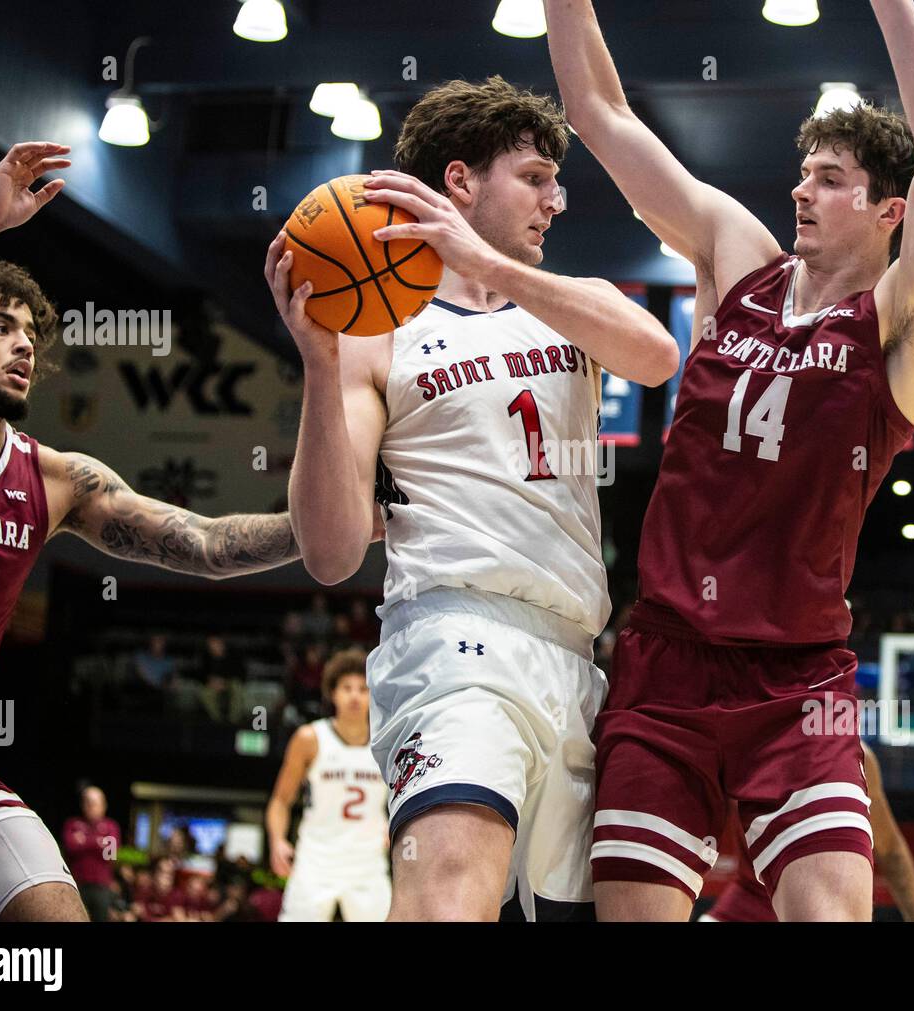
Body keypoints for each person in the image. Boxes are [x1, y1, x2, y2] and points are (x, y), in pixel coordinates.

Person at [545, 0, 914, 921]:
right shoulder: (739, 259)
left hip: (800, 679)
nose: (802, 191)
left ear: (888, 210)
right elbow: (599, 112)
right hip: (666, 662)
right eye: (803, 173)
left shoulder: (898, 324)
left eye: (829, 178)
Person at [267, 76, 679, 921]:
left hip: (574, 658)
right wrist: (317, 363)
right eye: (534, 178)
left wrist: (489, 265)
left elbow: (654, 356)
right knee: (448, 890)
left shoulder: (578, 304)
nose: (556, 202)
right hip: (452, 642)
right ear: (460, 183)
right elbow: (333, 551)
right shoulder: (375, 338)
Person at [0, 142, 304, 922]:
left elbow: (204, 542)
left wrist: (337, 521)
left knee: (55, 924)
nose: (26, 344)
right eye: (0, 326)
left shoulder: (56, 480)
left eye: (32, 333)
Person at [701, 745, 914, 922]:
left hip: (824, 905)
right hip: (749, 903)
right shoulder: (738, 742)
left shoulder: (854, 755)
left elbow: (891, 852)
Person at [267, 649, 390, 921]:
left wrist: (395, 829)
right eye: (347, 688)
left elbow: (403, 797)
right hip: (316, 860)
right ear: (332, 693)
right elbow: (280, 800)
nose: (355, 696)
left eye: (363, 688)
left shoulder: (386, 743)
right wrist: (277, 841)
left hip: (367, 862)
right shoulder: (309, 738)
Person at [60, 784, 121, 922]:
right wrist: (99, 841)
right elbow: (70, 848)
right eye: (86, 802)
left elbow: (110, 855)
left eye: (94, 803)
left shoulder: (111, 826)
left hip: (101, 887)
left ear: (103, 805)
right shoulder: (72, 824)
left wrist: (84, 840)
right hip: (77, 885)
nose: (90, 806)